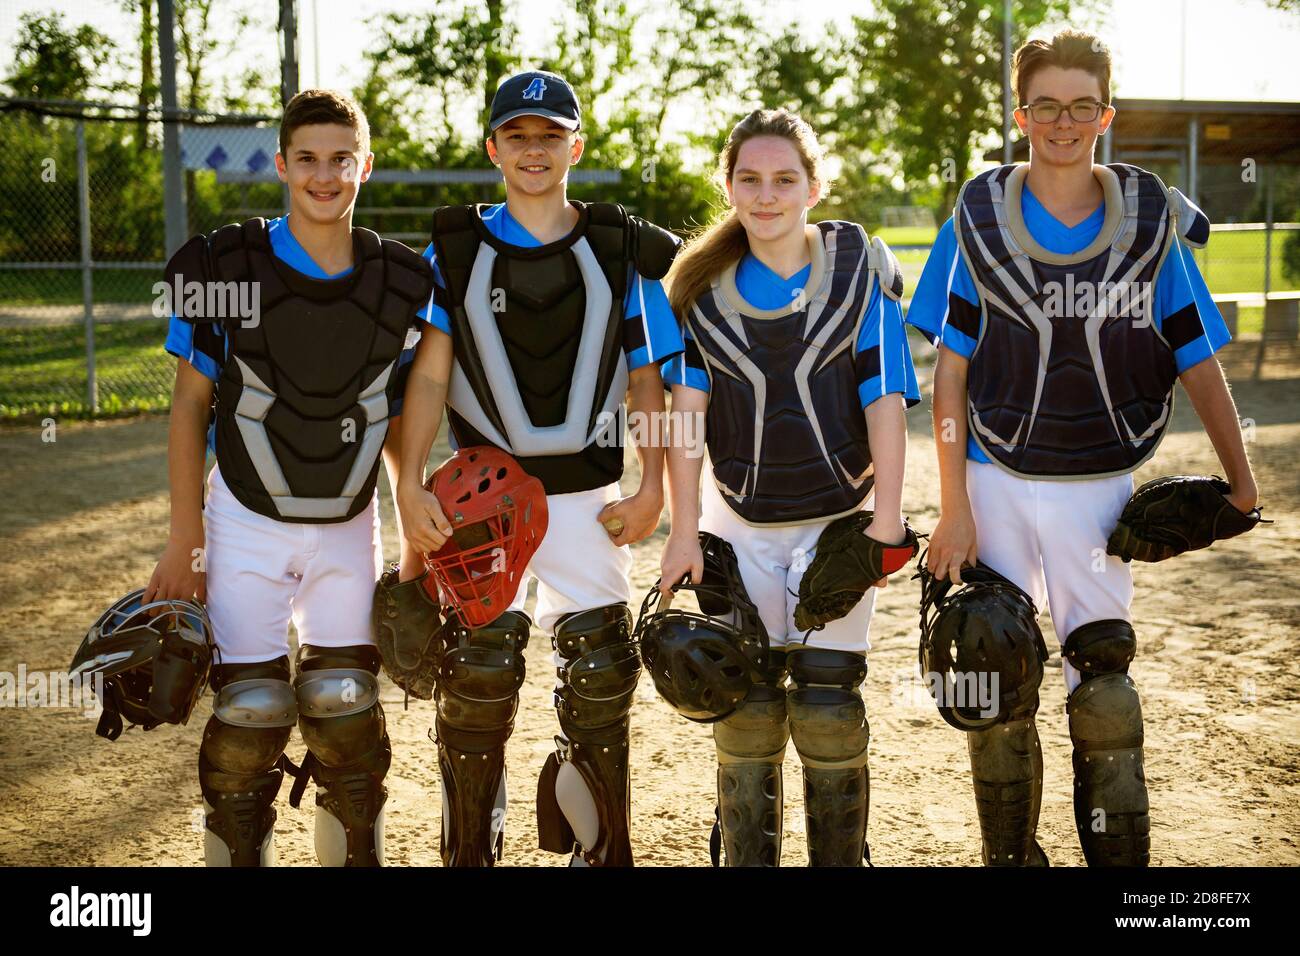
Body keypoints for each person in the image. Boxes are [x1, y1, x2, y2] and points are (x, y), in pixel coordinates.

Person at [905, 30, 1260, 866]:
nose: (1062, 123)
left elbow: (1197, 356)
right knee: (991, 666)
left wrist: (1243, 487)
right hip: (991, 475)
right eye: (1044, 107)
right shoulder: (980, 213)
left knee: (1103, 685)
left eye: (1080, 107)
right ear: (1020, 114)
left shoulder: (1147, 222)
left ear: (1106, 114)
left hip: (1097, 483)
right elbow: (947, 377)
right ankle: (1011, 859)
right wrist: (952, 507)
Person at [396, 70, 684, 866]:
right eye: (518, 136)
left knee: (600, 677)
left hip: (588, 499)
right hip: (479, 498)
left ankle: (600, 847)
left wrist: (653, 484)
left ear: (576, 147)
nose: (534, 150)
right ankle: (469, 849)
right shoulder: (452, 250)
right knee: (480, 674)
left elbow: (646, 376)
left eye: (550, 136)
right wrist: (409, 480)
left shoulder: (619, 246)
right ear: (493, 148)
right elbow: (427, 374)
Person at [145, 89, 432, 866]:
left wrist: (414, 527)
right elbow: (188, 409)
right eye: (307, 158)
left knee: (347, 710)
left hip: (348, 524)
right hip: (242, 521)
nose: (324, 174)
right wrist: (185, 540)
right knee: (250, 713)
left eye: (341, 158)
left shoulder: (402, 282)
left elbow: (398, 414)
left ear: (364, 166)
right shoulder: (223, 266)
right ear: (281, 165)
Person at [658, 108, 920, 866]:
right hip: (737, 520)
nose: (765, 196)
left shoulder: (859, 272)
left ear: (813, 185)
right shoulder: (700, 290)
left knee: (830, 708)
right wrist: (680, 532)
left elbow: (886, 403)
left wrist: (887, 526)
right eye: (749, 179)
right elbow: (684, 423)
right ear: (728, 185)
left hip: (840, 518)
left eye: (783, 180)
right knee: (747, 709)